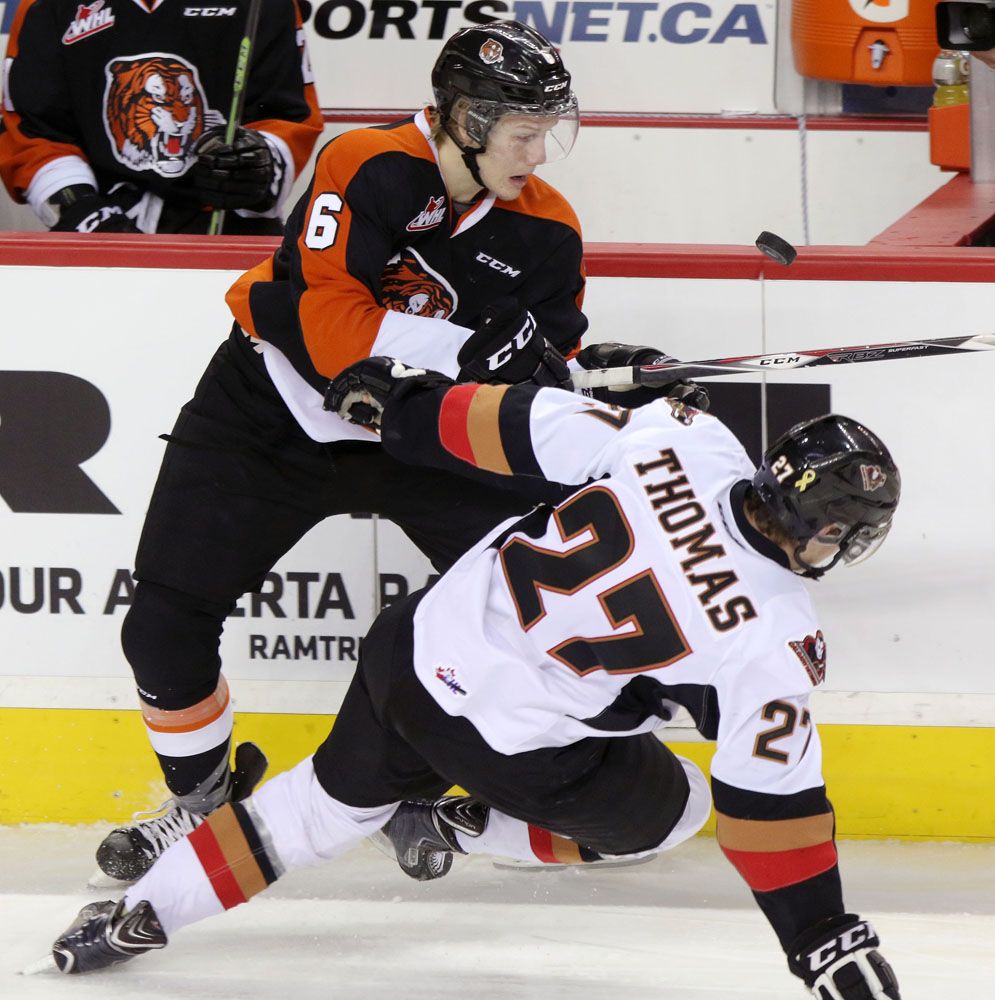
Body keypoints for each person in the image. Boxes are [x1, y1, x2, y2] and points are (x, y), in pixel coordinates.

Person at [49, 360, 902, 999]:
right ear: (826, 529)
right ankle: (453, 829)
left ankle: (136, 919)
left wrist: (404, 407)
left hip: (410, 651)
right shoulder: (771, 636)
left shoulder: (682, 437)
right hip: (514, 753)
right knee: (674, 809)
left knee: (320, 805)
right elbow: (767, 809)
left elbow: (515, 420)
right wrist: (819, 934)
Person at [90, 19, 704, 883]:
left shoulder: (548, 231)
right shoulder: (364, 164)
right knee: (161, 624)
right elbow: (326, 325)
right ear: (465, 119)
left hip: (426, 438)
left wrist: (583, 378)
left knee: (520, 610)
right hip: (274, 410)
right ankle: (201, 800)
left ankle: (419, 788)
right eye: (523, 131)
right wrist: (465, 351)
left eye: (544, 130)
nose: (539, 153)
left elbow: (537, 373)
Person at [0, 0, 321, 234]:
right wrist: (82, 211)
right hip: (101, 220)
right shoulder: (46, 7)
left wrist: (257, 164)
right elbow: (35, 133)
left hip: (228, 223)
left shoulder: (262, 4)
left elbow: (287, 115)